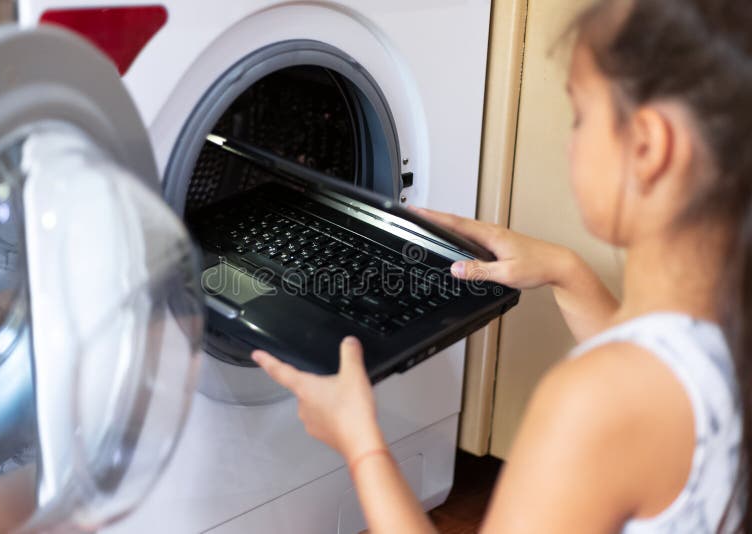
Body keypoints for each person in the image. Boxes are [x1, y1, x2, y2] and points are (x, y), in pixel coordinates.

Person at [252, 0, 750, 532]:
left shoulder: (593, 403)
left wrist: (359, 442)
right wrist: (565, 268)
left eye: (580, 116)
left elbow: (623, 397)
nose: (570, 143)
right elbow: (656, 383)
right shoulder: (723, 339)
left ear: (648, 148)